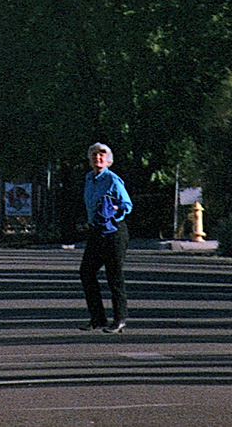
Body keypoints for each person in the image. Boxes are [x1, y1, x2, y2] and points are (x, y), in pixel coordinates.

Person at [79, 142, 133, 333]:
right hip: (96, 230)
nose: (98, 158)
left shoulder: (112, 180)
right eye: (94, 155)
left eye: (102, 155)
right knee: (86, 271)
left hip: (114, 231)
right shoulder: (89, 178)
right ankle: (98, 318)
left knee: (114, 275)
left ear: (108, 160)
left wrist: (113, 208)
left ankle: (120, 319)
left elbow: (127, 205)